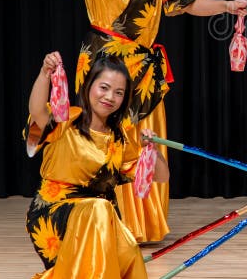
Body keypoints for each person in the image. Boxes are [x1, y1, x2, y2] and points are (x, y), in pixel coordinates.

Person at [3, 0, 247, 242]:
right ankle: (108, 220)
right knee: (102, 139)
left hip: (142, 72)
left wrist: (227, 5)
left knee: (142, 141)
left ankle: (143, 226)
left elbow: (188, 3)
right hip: (101, 66)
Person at [25, 51, 169, 278]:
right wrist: (45, 74)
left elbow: (161, 177)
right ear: (89, 85)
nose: (110, 97)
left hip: (101, 219)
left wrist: (151, 149)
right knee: (99, 209)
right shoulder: (66, 120)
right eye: (104, 87)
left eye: (119, 92)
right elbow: (37, 113)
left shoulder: (119, 138)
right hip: (56, 212)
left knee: (129, 250)